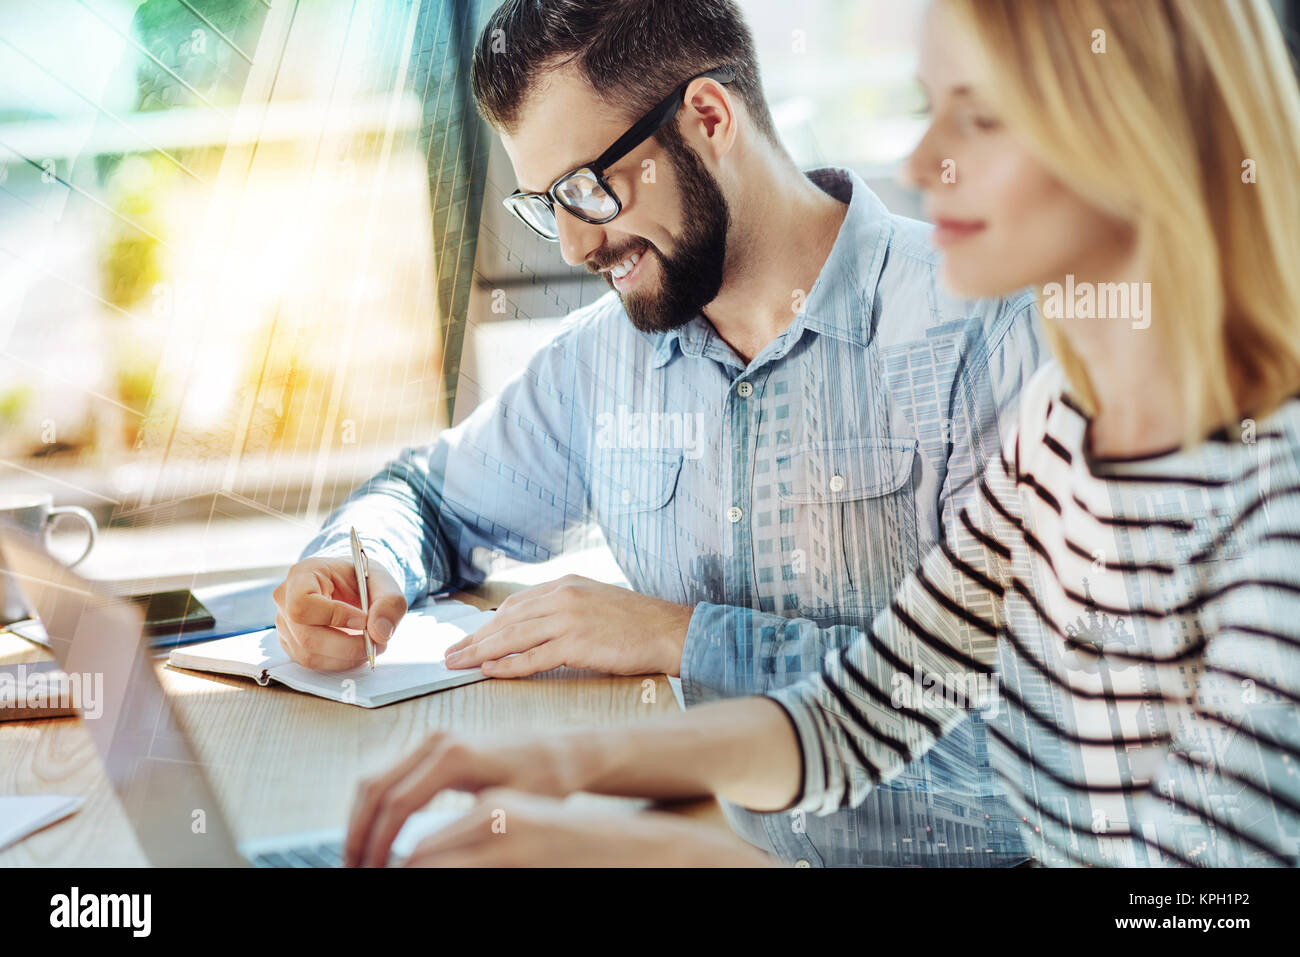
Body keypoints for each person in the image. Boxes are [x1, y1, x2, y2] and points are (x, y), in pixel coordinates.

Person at [341, 0, 1300, 867]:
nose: (923, 166)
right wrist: (571, 762)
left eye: (979, 116)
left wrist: (638, 852)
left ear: (1134, 147)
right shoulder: (1059, 443)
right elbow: (863, 718)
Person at [274, 0, 1044, 866]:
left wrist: (683, 637)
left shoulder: (984, 333)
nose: (571, 245)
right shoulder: (602, 366)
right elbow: (429, 498)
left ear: (709, 119)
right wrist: (360, 562)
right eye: (545, 204)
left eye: (587, 188)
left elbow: (1024, 735)